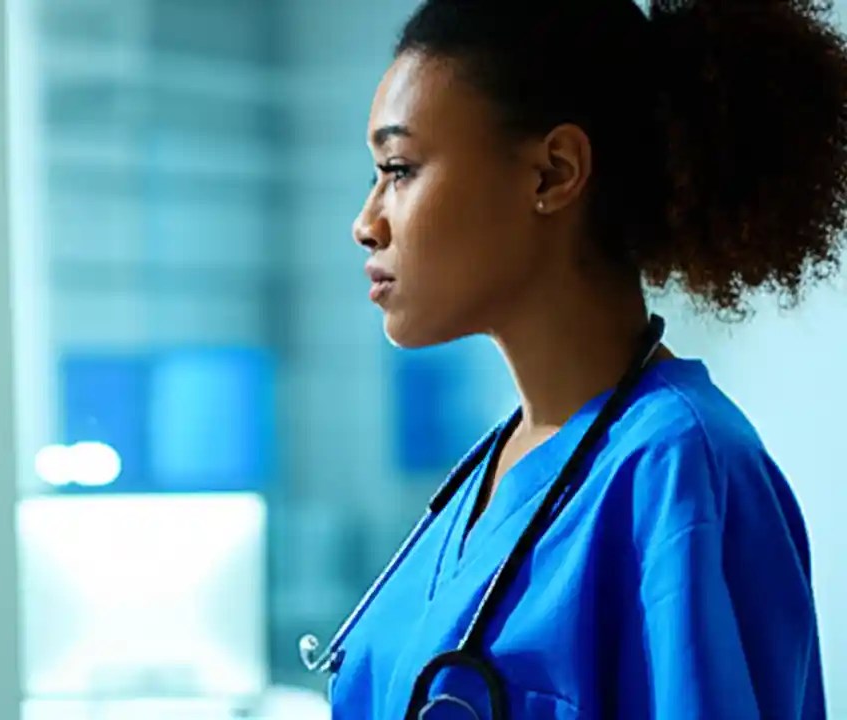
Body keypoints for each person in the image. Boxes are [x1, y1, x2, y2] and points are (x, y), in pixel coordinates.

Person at [331, 0, 847, 717]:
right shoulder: (492, 472)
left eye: (399, 168)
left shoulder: (679, 467)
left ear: (552, 173)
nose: (366, 223)